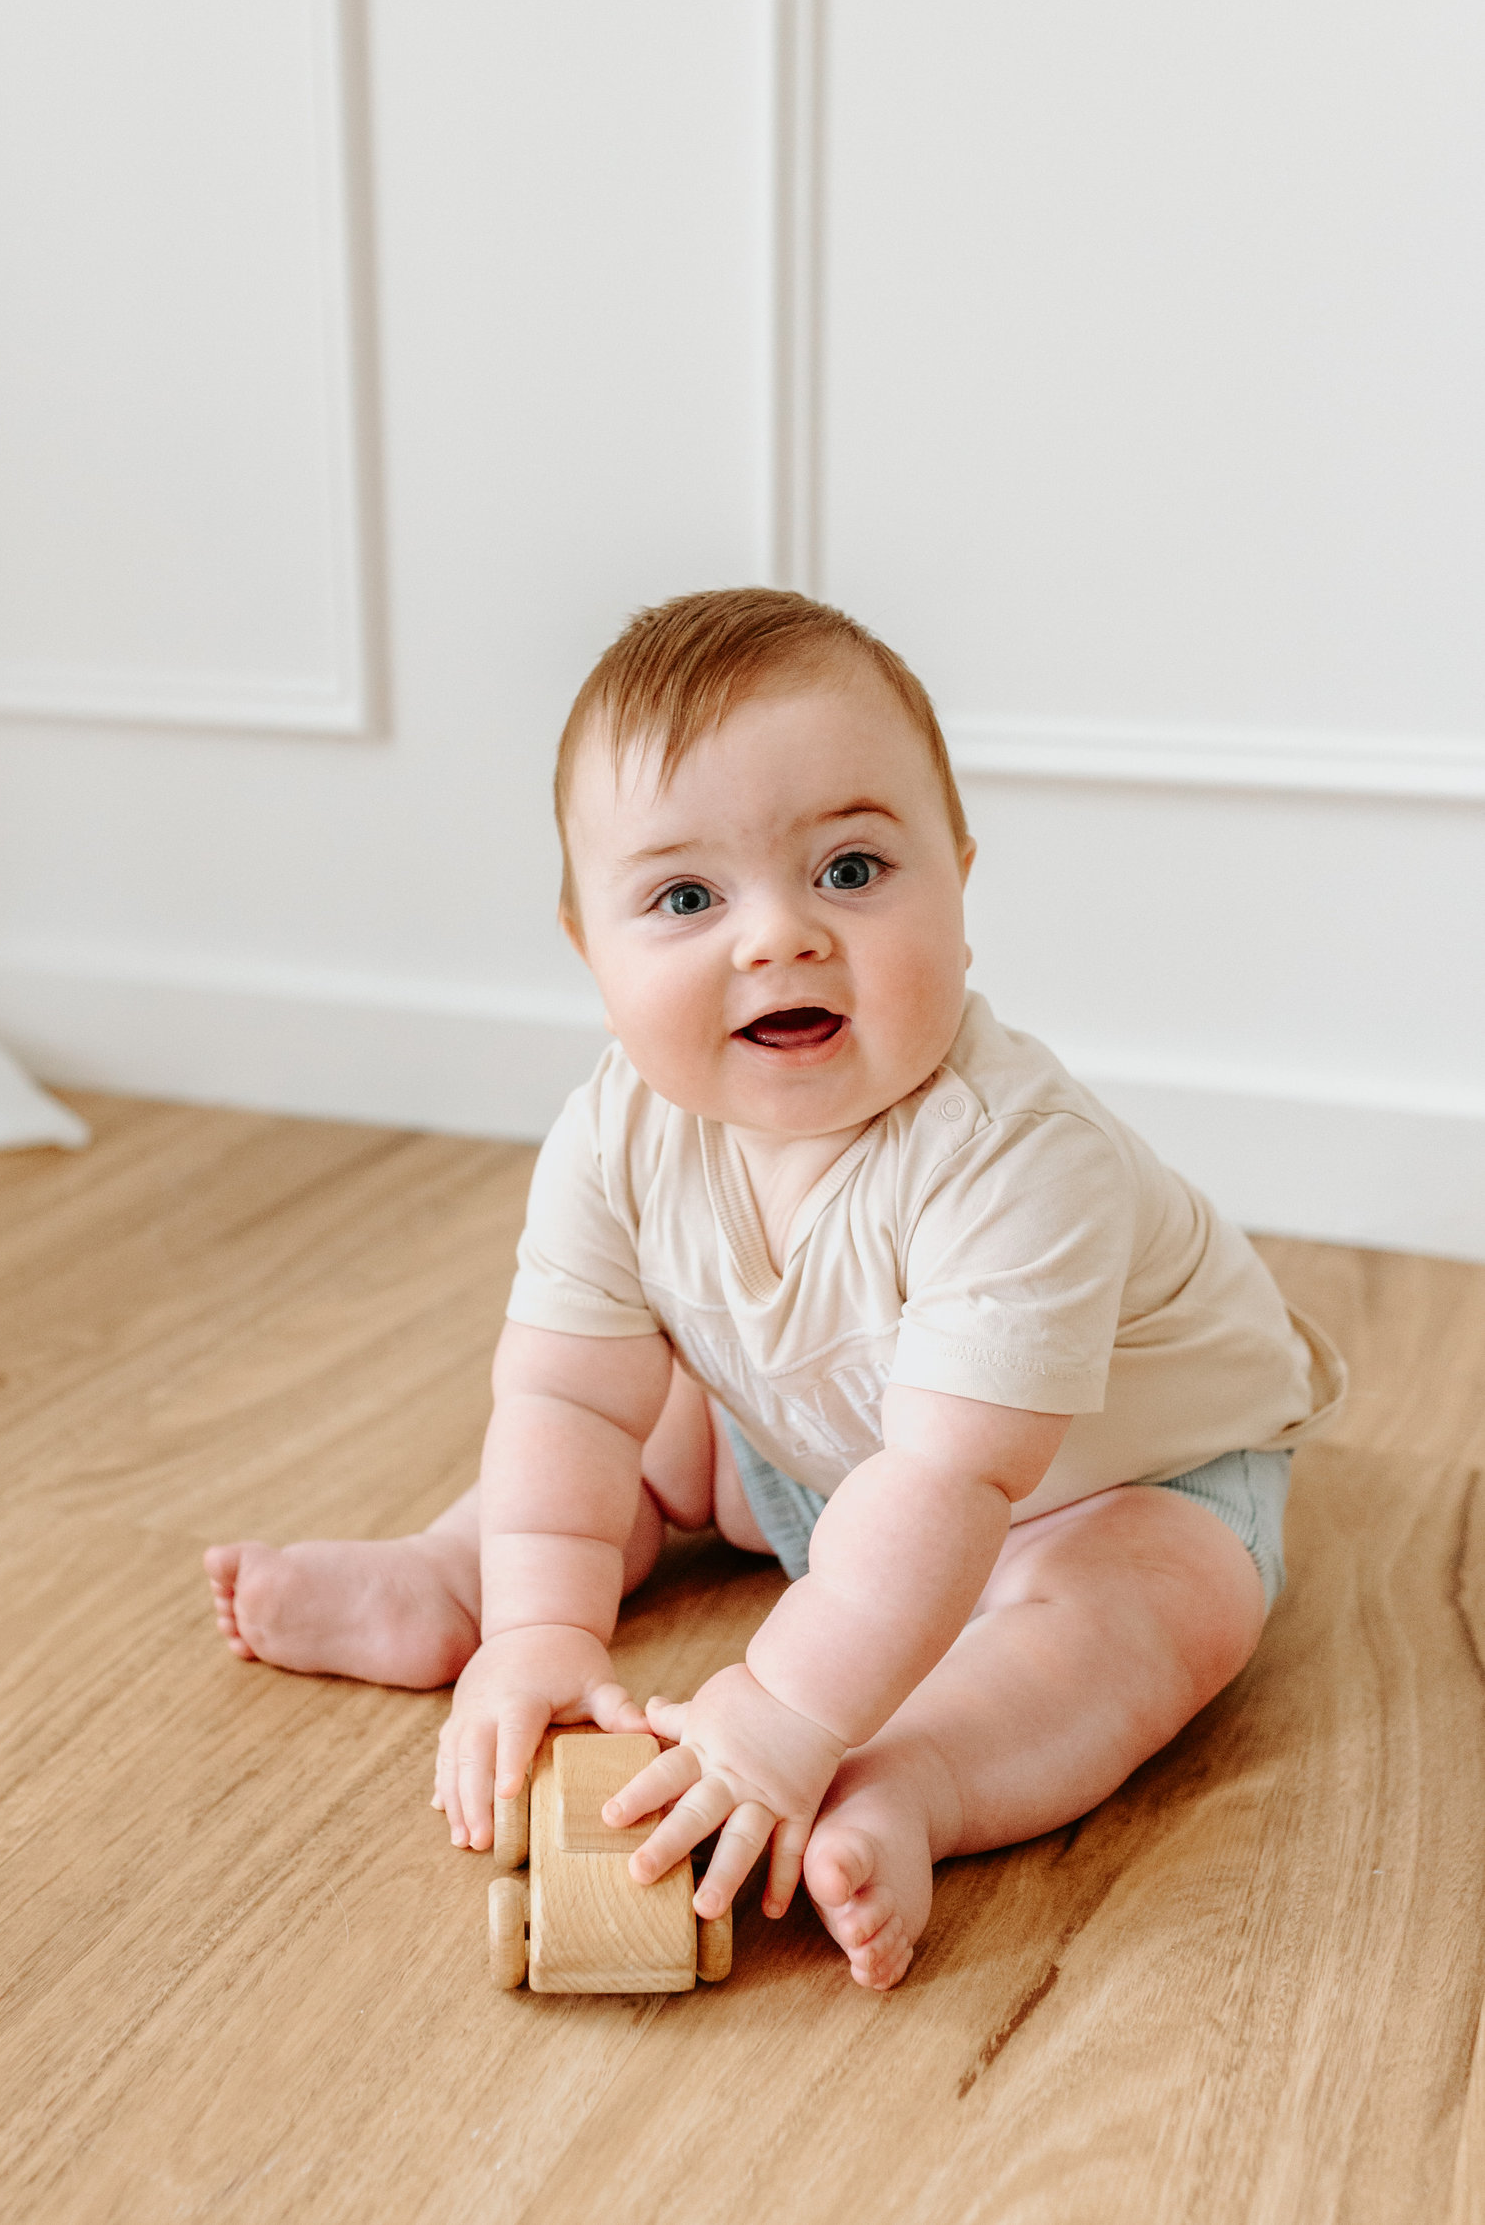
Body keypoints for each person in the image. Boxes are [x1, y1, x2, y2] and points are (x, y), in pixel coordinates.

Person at [206, 588, 1344, 1990]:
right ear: (589, 951)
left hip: (1097, 1488)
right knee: (649, 1430)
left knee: (1146, 1622)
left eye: (853, 870)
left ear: (961, 884)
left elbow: (948, 1480)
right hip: (816, 1444)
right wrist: (543, 1629)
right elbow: (565, 1392)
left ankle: (921, 1776)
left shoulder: (1014, 1156)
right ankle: (462, 1582)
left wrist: (779, 1710)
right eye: (687, 897)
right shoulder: (618, 1134)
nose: (777, 937)